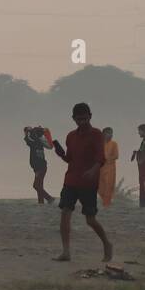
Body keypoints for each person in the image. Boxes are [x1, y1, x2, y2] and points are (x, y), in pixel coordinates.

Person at [52, 102, 113, 263]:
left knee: (90, 219)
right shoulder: (71, 136)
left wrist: (93, 170)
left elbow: (101, 157)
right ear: (73, 119)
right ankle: (66, 251)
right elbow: (69, 158)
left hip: (88, 182)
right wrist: (60, 153)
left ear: (90, 116)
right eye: (79, 119)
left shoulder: (96, 134)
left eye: (85, 118)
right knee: (65, 212)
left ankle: (107, 244)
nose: (82, 122)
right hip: (71, 179)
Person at [23, 125, 55, 205]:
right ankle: (41, 202)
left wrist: (28, 133)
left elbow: (28, 140)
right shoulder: (37, 141)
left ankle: (49, 198)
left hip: (40, 167)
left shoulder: (34, 141)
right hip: (40, 167)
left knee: (36, 185)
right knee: (39, 186)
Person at [98, 127, 119, 208]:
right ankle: (105, 201)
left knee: (108, 185)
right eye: (108, 133)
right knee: (100, 187)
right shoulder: (99, 143)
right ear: (103, 134)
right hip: (100, 167)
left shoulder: (114, 144)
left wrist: (107, 158)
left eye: (111, 133)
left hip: (110, 168)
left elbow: (116, 156)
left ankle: (107, 203)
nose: (110, 135)